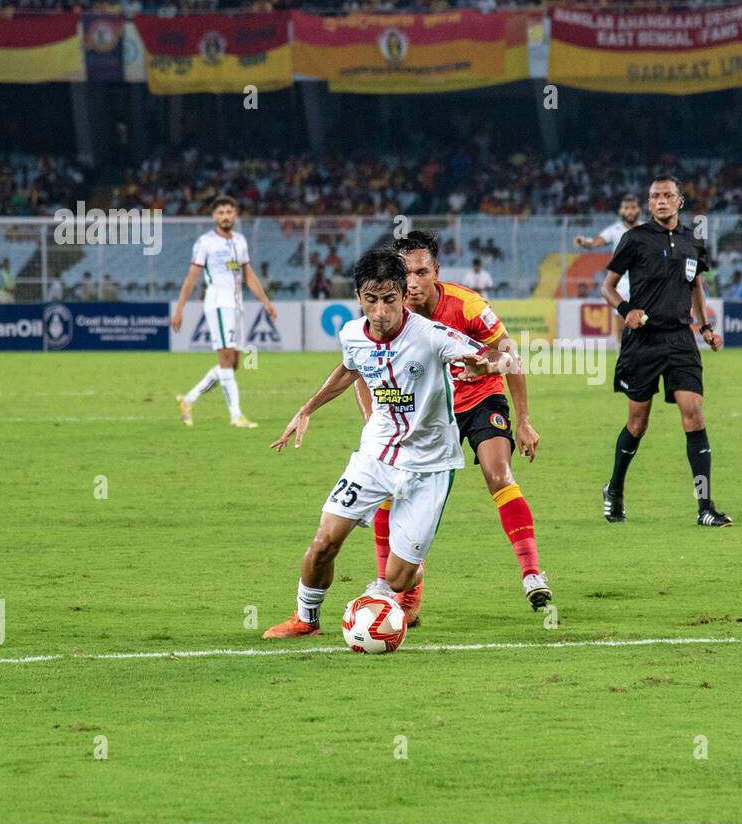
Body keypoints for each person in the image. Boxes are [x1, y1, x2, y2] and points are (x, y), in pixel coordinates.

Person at [261, 249, 511, 639]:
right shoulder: (351, 334)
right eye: (371, 300)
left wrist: (490, 364)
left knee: (396, 577)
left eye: (389, 300)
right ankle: (305, 619)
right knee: (324, 541)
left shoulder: (431, 336)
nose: (380, 312)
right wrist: (307, 408)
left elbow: (502, 358)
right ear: (359, 297)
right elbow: (348, 369)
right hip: (375, 456)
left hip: (429, 464)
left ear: (402, 293)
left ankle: (407, 570)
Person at [353, 230, 551, 622]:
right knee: (395, 489)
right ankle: (394, 591)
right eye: (405, 272)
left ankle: (531, 574)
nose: (412, 282)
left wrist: (524, 420)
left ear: (435, 272)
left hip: (479, 400)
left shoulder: (469, 306)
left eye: (421, 272)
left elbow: (510, 353)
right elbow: (357, 365)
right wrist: (373, 417)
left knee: (499, 475)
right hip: (423, 413)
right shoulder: (386, 312)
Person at [601, 176, 731, 527]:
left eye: (667, 195)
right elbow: (608, 287)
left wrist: (705, 327)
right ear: (649, 203)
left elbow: (696, 285)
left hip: (680, 339)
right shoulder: (634, 239)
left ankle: (705, 506)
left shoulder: (693, 240)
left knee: (694, 413)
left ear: (680, 202)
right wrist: (625, 311)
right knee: (638, 423)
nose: (661, 201)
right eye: (655, 196)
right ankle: (614, 490)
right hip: (643, 342)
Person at [171, 195, 277, 429]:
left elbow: (248, 275)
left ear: (235, 215)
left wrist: (265, 301)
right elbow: (192, 277)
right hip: (219, 304)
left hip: (237, 306)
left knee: (234, 363)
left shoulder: (240, 241)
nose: (226, 216)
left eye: (229, 211)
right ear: (214, 216)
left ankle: (188, 400)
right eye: (221, 212)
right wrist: (179, 308)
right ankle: (236, 415)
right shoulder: (205, 242)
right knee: (225, 360)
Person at [574, 195, 642, 333]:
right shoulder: (615, 230)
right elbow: (594, 243)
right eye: (626, 208)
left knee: (644, 323)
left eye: (633, 208)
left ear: (639, 210)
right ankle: (621, 353)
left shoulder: (646, 229)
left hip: (643, 282)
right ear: (620, 211)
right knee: (621, 325)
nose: (630, 211)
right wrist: (584, 242)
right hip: (621, 283)